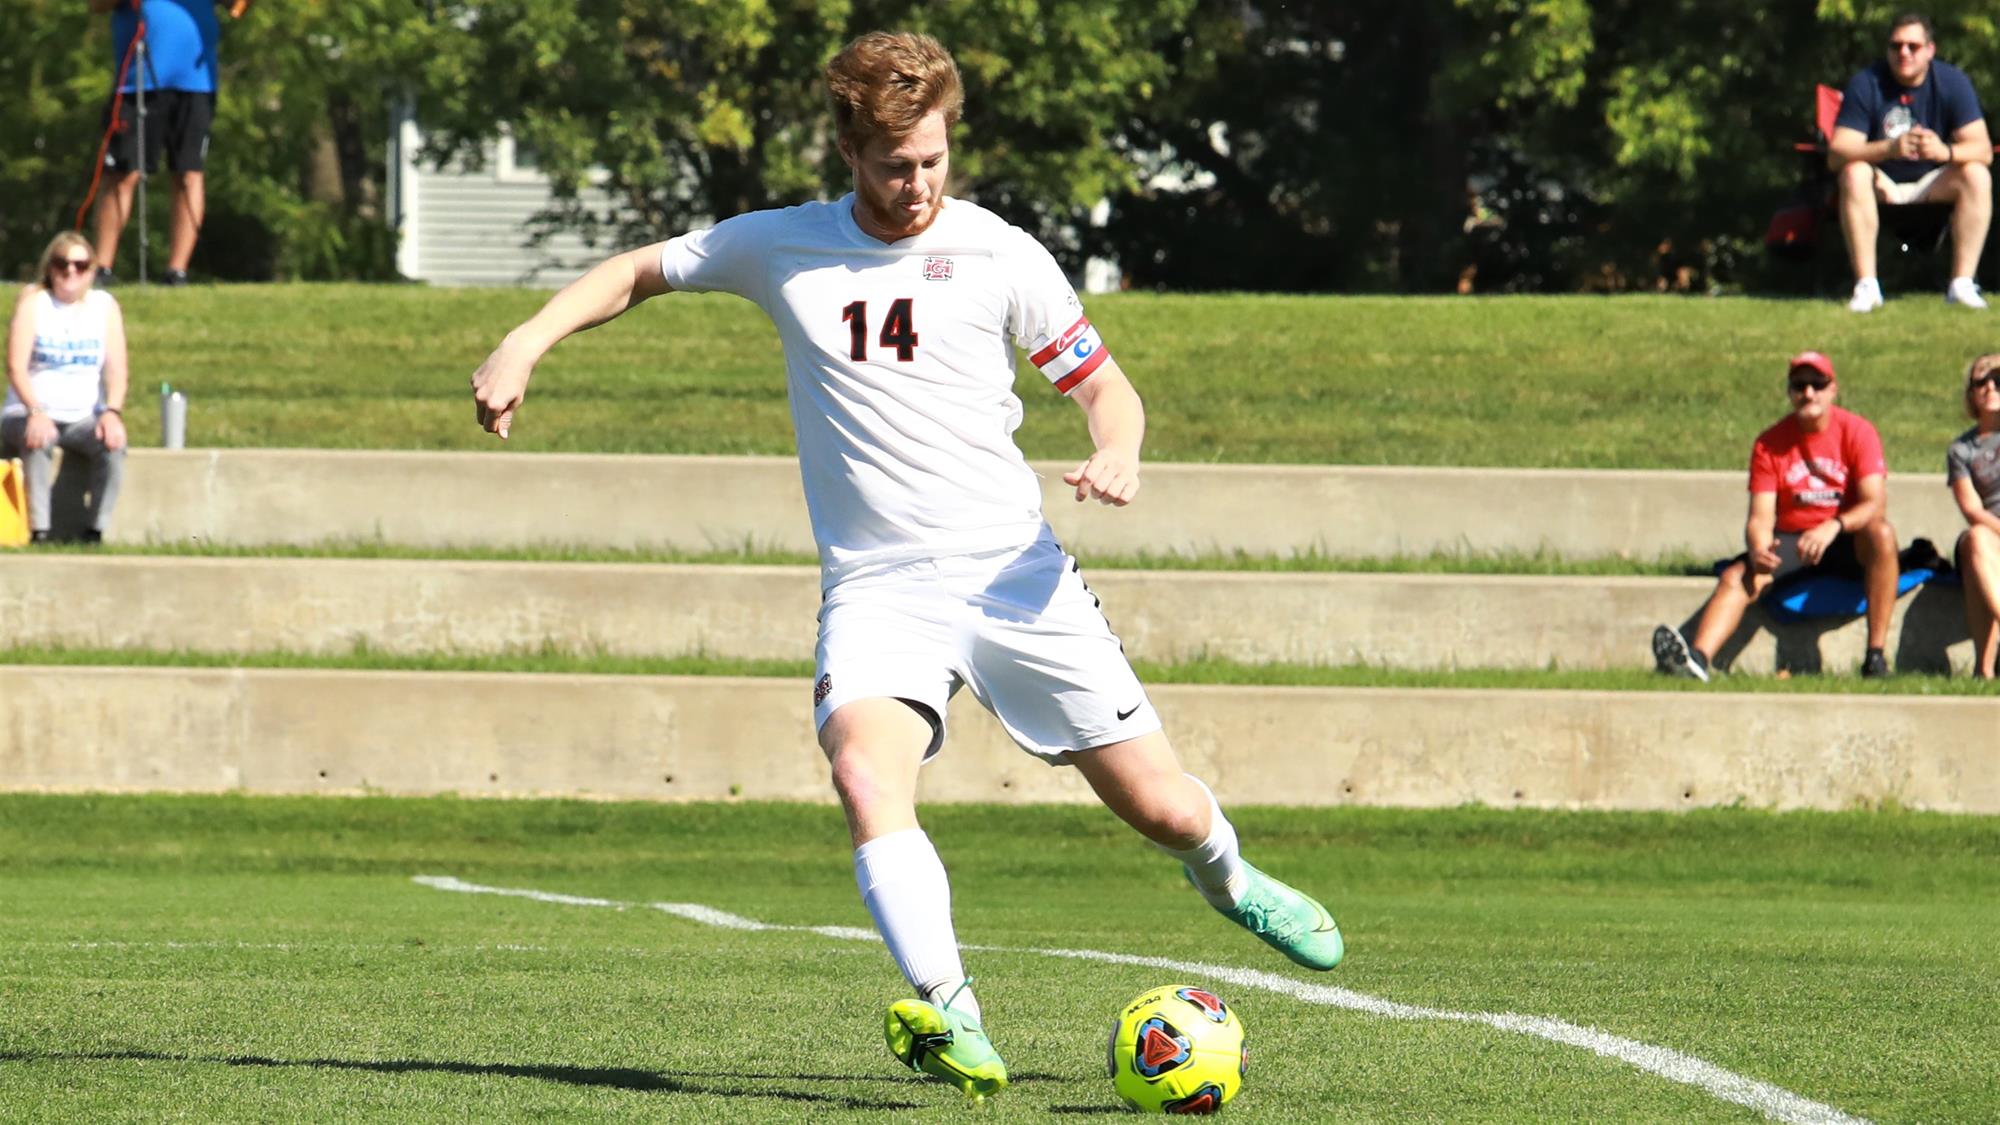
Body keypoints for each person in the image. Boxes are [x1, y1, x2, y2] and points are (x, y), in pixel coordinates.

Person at [468, 30, 1343, 1102]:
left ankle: (1228, 874)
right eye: (894, 165)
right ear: (848, 149)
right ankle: (952, 1009)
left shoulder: (1000, 252)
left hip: (1015, 574)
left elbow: (1106, 389)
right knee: (863, 772)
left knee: (1161, 809)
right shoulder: (779, 245)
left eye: (932, 160)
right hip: (880, 587)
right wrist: (524, 341)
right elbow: (636, 271)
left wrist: (1116, 453)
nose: (917, 183)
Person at [1653, 352, 1898, 680]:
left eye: (1817, 384)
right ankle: (1697, 660)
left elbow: (1874, 504)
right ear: (1789, 391)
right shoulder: (1770, 443)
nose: (1808, 393)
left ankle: (1875, 657)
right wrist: (1759, 549)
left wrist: (1832, 526)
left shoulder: (1858, 432)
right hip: (1793, 543)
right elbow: (1760, 516)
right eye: (1799, 385)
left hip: (1846, 540)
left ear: (1833, 389)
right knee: (1737, 577)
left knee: (1882, 534)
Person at [1830, 12, 1993, 313]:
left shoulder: (1952, 82)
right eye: (1896, 46)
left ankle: (1962, 285)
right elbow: (1837, 153)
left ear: (1930, 50)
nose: (1904, 53)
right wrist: (1888, 149)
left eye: (1913, 46)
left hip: (1933, 182)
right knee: (1853, 172)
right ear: (1887, 49)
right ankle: (1866, 287)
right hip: (1882, 183)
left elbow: (1983, 149)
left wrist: (1945, 152)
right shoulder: (1866, 83)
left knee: (1977, 175)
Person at [89, 0, 230, 287]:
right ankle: (101, 268)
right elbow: (97, 5)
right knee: (123, 173)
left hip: (196, 81)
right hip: (136, 79)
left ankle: (177, 271)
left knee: (189, 174)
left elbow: (237, 5)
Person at [2, 231, 130, 543]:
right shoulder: (35, 301)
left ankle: (95, 530)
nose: (70, 271)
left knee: (113, 445)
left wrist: (112, 412)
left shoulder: (104, 306)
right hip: (26, 410)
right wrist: (35, 411)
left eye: (80, 264)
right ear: (50, 268)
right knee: (38, 439)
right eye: (62, 264)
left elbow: (117, 368)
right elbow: (16, 366)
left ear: (92, 270)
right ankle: (40, 530)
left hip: (82, 416)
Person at [1947, 353, 2000, 678]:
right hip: (1989, 534)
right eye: (1982, 381)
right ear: (1971, 394)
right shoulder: (1962, 450)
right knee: (1977, 541)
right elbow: (1971, 510)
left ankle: (1985, 670)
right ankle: (1985, 667)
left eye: (1999, 381)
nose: (1991, 387)